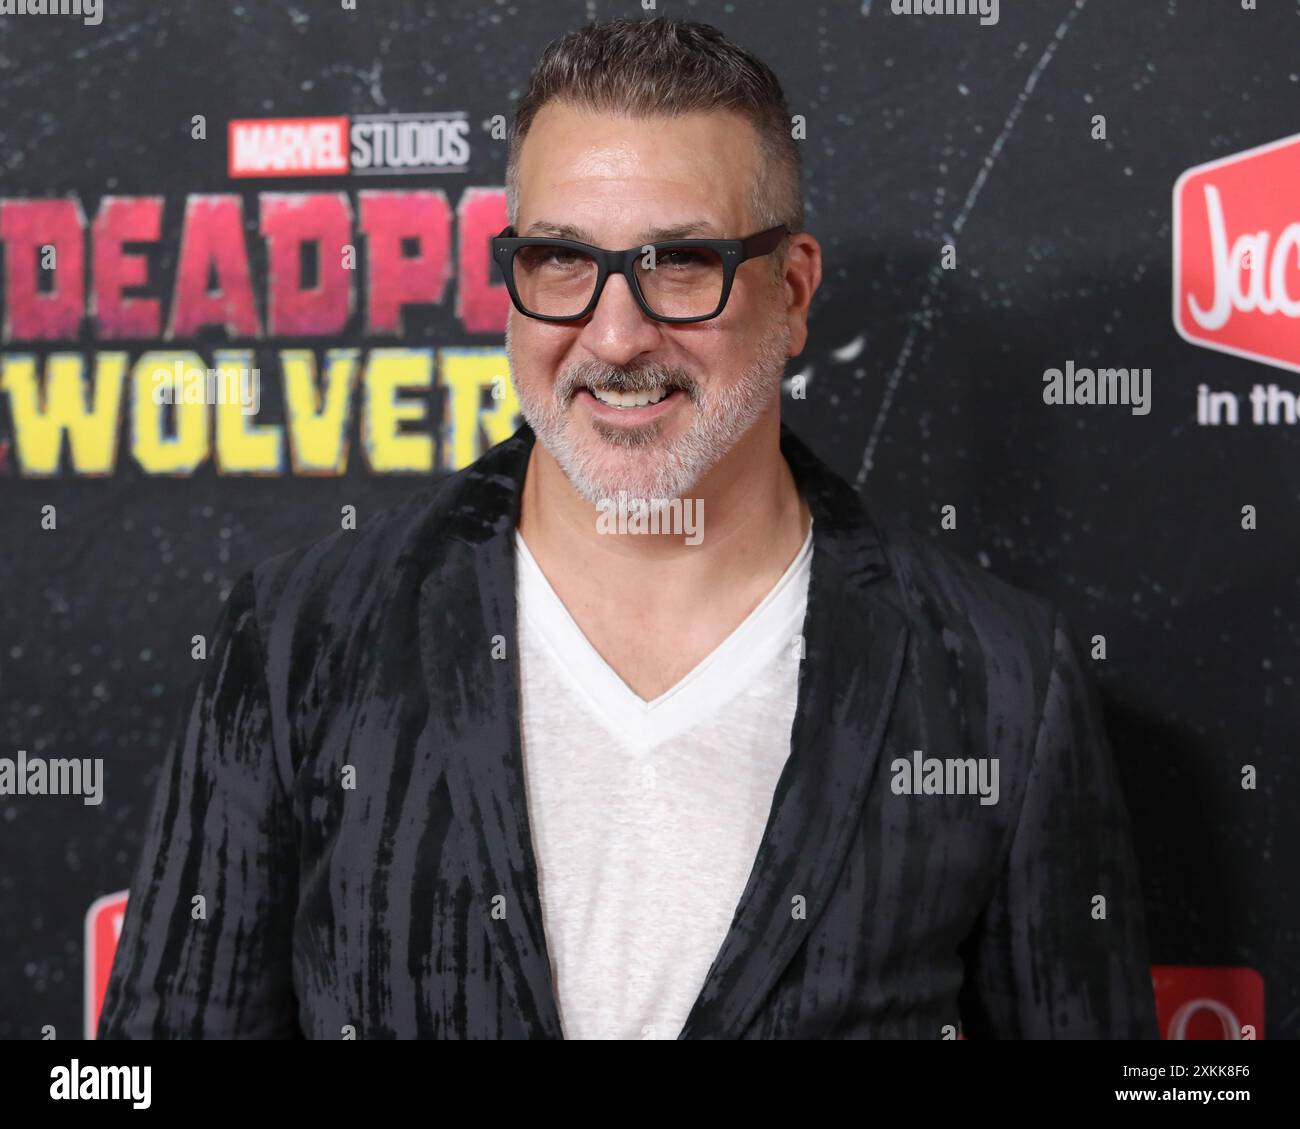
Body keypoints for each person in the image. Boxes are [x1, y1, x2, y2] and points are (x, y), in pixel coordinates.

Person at [99, 16, 1157, 1040]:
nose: (613, 333)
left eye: (679, 264)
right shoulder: (299, 638)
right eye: (562, 260)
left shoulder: (999, 682)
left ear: (790, 293)